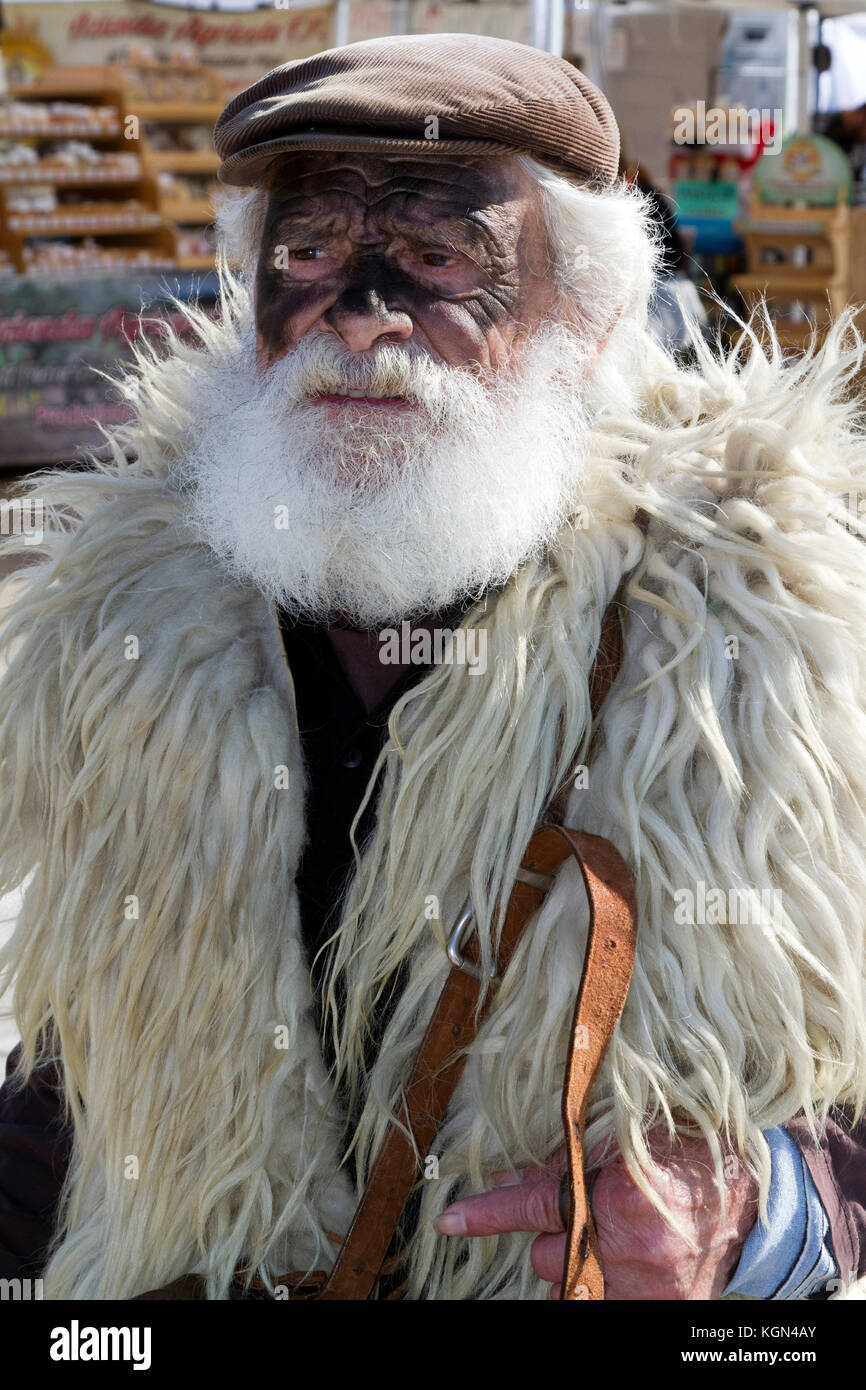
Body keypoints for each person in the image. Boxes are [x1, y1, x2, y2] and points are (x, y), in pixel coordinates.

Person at [1, 34, 865, 1301]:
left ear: (581, 314)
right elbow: (97, 1066)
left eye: (439, 256)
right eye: (307, 255)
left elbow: (836, 1086)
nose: (357, 316)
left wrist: (754, 1210)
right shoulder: (127, 625)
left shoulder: (763, 630)